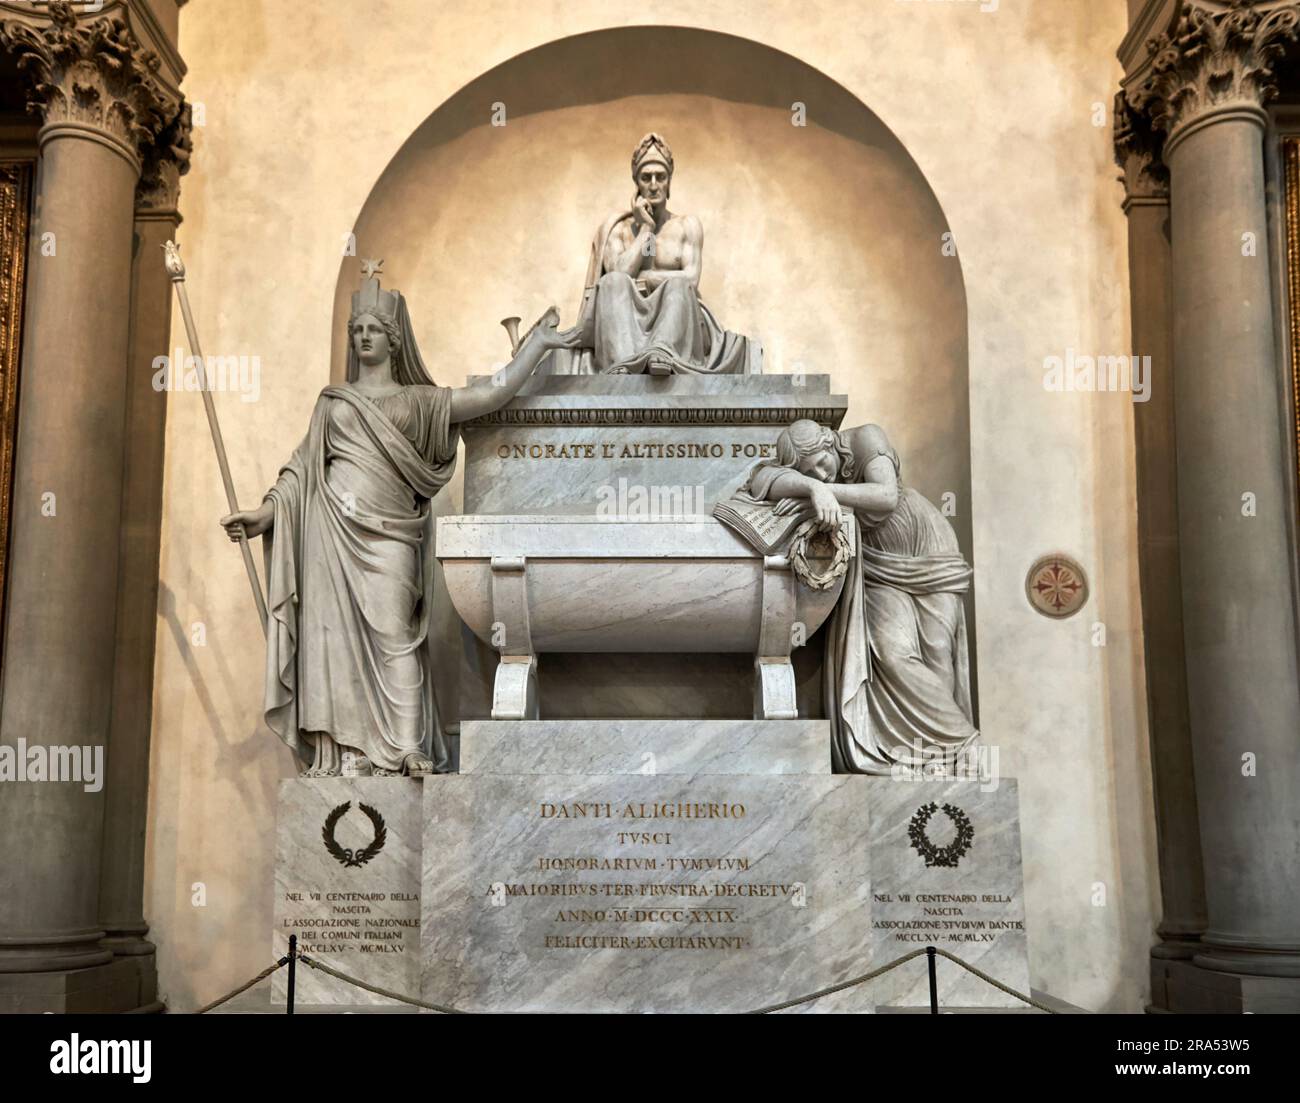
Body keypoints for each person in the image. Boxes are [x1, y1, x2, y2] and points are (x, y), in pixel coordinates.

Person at [220, 268, 576, 776]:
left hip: (389, 536)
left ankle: (408, 747)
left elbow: (488, 397)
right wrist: (265, 513)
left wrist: (534, 347)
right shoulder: (332, 402)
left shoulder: (420, 401)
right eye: (357, 329)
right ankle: (348, 755)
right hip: (329, 537)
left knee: (394, 635)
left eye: (373, 329)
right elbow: (301, 471)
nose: (364, 337)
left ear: (393, 339)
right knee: (333, 644)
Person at [744, 419, 978, 774]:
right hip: (874, 562)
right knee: (894, 651)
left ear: (830, 440)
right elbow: (760, 481)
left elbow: (886, 496)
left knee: (937, 654)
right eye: (811, 473)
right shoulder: (814, 482)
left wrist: (826, 493)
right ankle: (962, 740)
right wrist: (810, 488)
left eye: (822, 463)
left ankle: (941, 759)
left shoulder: (866, 437)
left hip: (925, 547)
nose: (823, 474)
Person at [570, 132, 752, 375]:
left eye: (660, 177)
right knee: (613, 283)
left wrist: (644, 279)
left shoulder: (687, 225)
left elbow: (690, 280)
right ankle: (623, 362)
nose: (654, 185)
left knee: (678, 287)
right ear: (637, 184)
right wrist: (646, 228)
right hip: (626, 322)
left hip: (676, 318)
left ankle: (662, 353)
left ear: (669, 182)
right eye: (646, 178)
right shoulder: (618, 230)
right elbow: (617, 277)